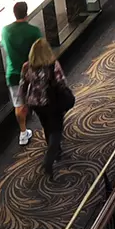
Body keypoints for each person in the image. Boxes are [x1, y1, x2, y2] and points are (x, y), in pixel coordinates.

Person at [17, 38, 74, 179]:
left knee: (47, 127)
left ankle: (56, 151)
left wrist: (23, 104)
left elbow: (23, 86)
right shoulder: (52, 65)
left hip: (36, 104)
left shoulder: (27, 67)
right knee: (56, 129)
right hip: (52, 102)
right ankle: (49, 158)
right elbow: (61, 82)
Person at [0, 1, 43, 146]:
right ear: (27, 13)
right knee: (39, 98)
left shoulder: (5, 30)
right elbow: (40, 51)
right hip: (31, 72)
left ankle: (23, 133)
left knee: (19, 104)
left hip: (13, 74)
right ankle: (46, 125)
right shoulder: (33, 31)